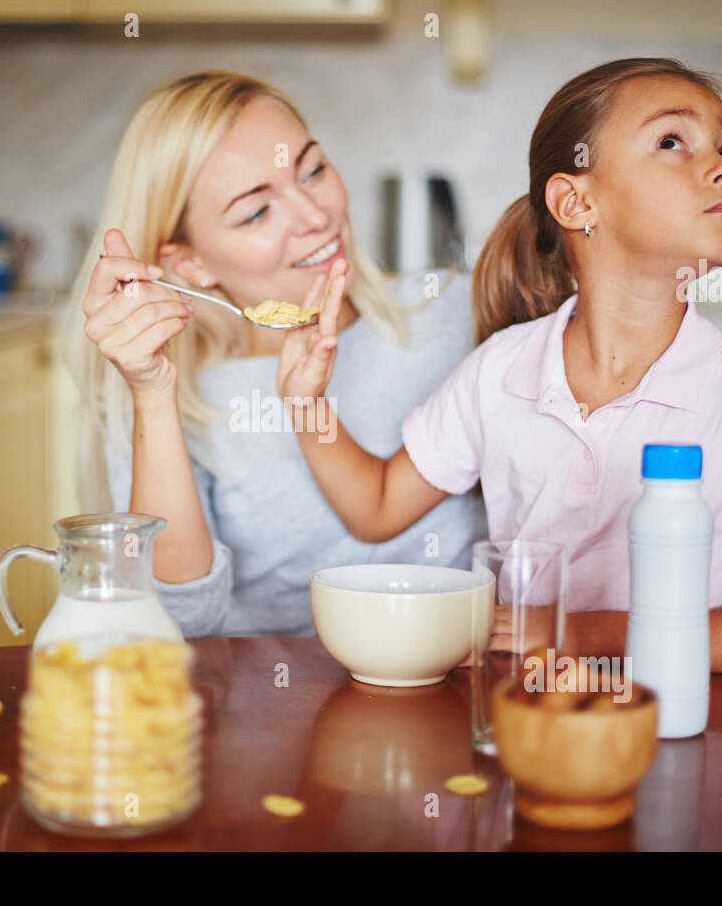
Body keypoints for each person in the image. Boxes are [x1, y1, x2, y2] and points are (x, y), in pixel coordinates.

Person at [279, 58, 722, 673]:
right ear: (575, 202)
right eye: (672, 141)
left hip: (694, 732)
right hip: (530, 720)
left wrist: (579, 632)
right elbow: (378, 508)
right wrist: (305, 403)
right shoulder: (499, 372)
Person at [62, 71, 487, 637]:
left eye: (312, 170)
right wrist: (152, 393)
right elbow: (181, 622)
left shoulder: (455, 310)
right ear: (190, 265)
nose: (315, 217)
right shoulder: (175, 400)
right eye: (257, 213)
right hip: (285, 714)